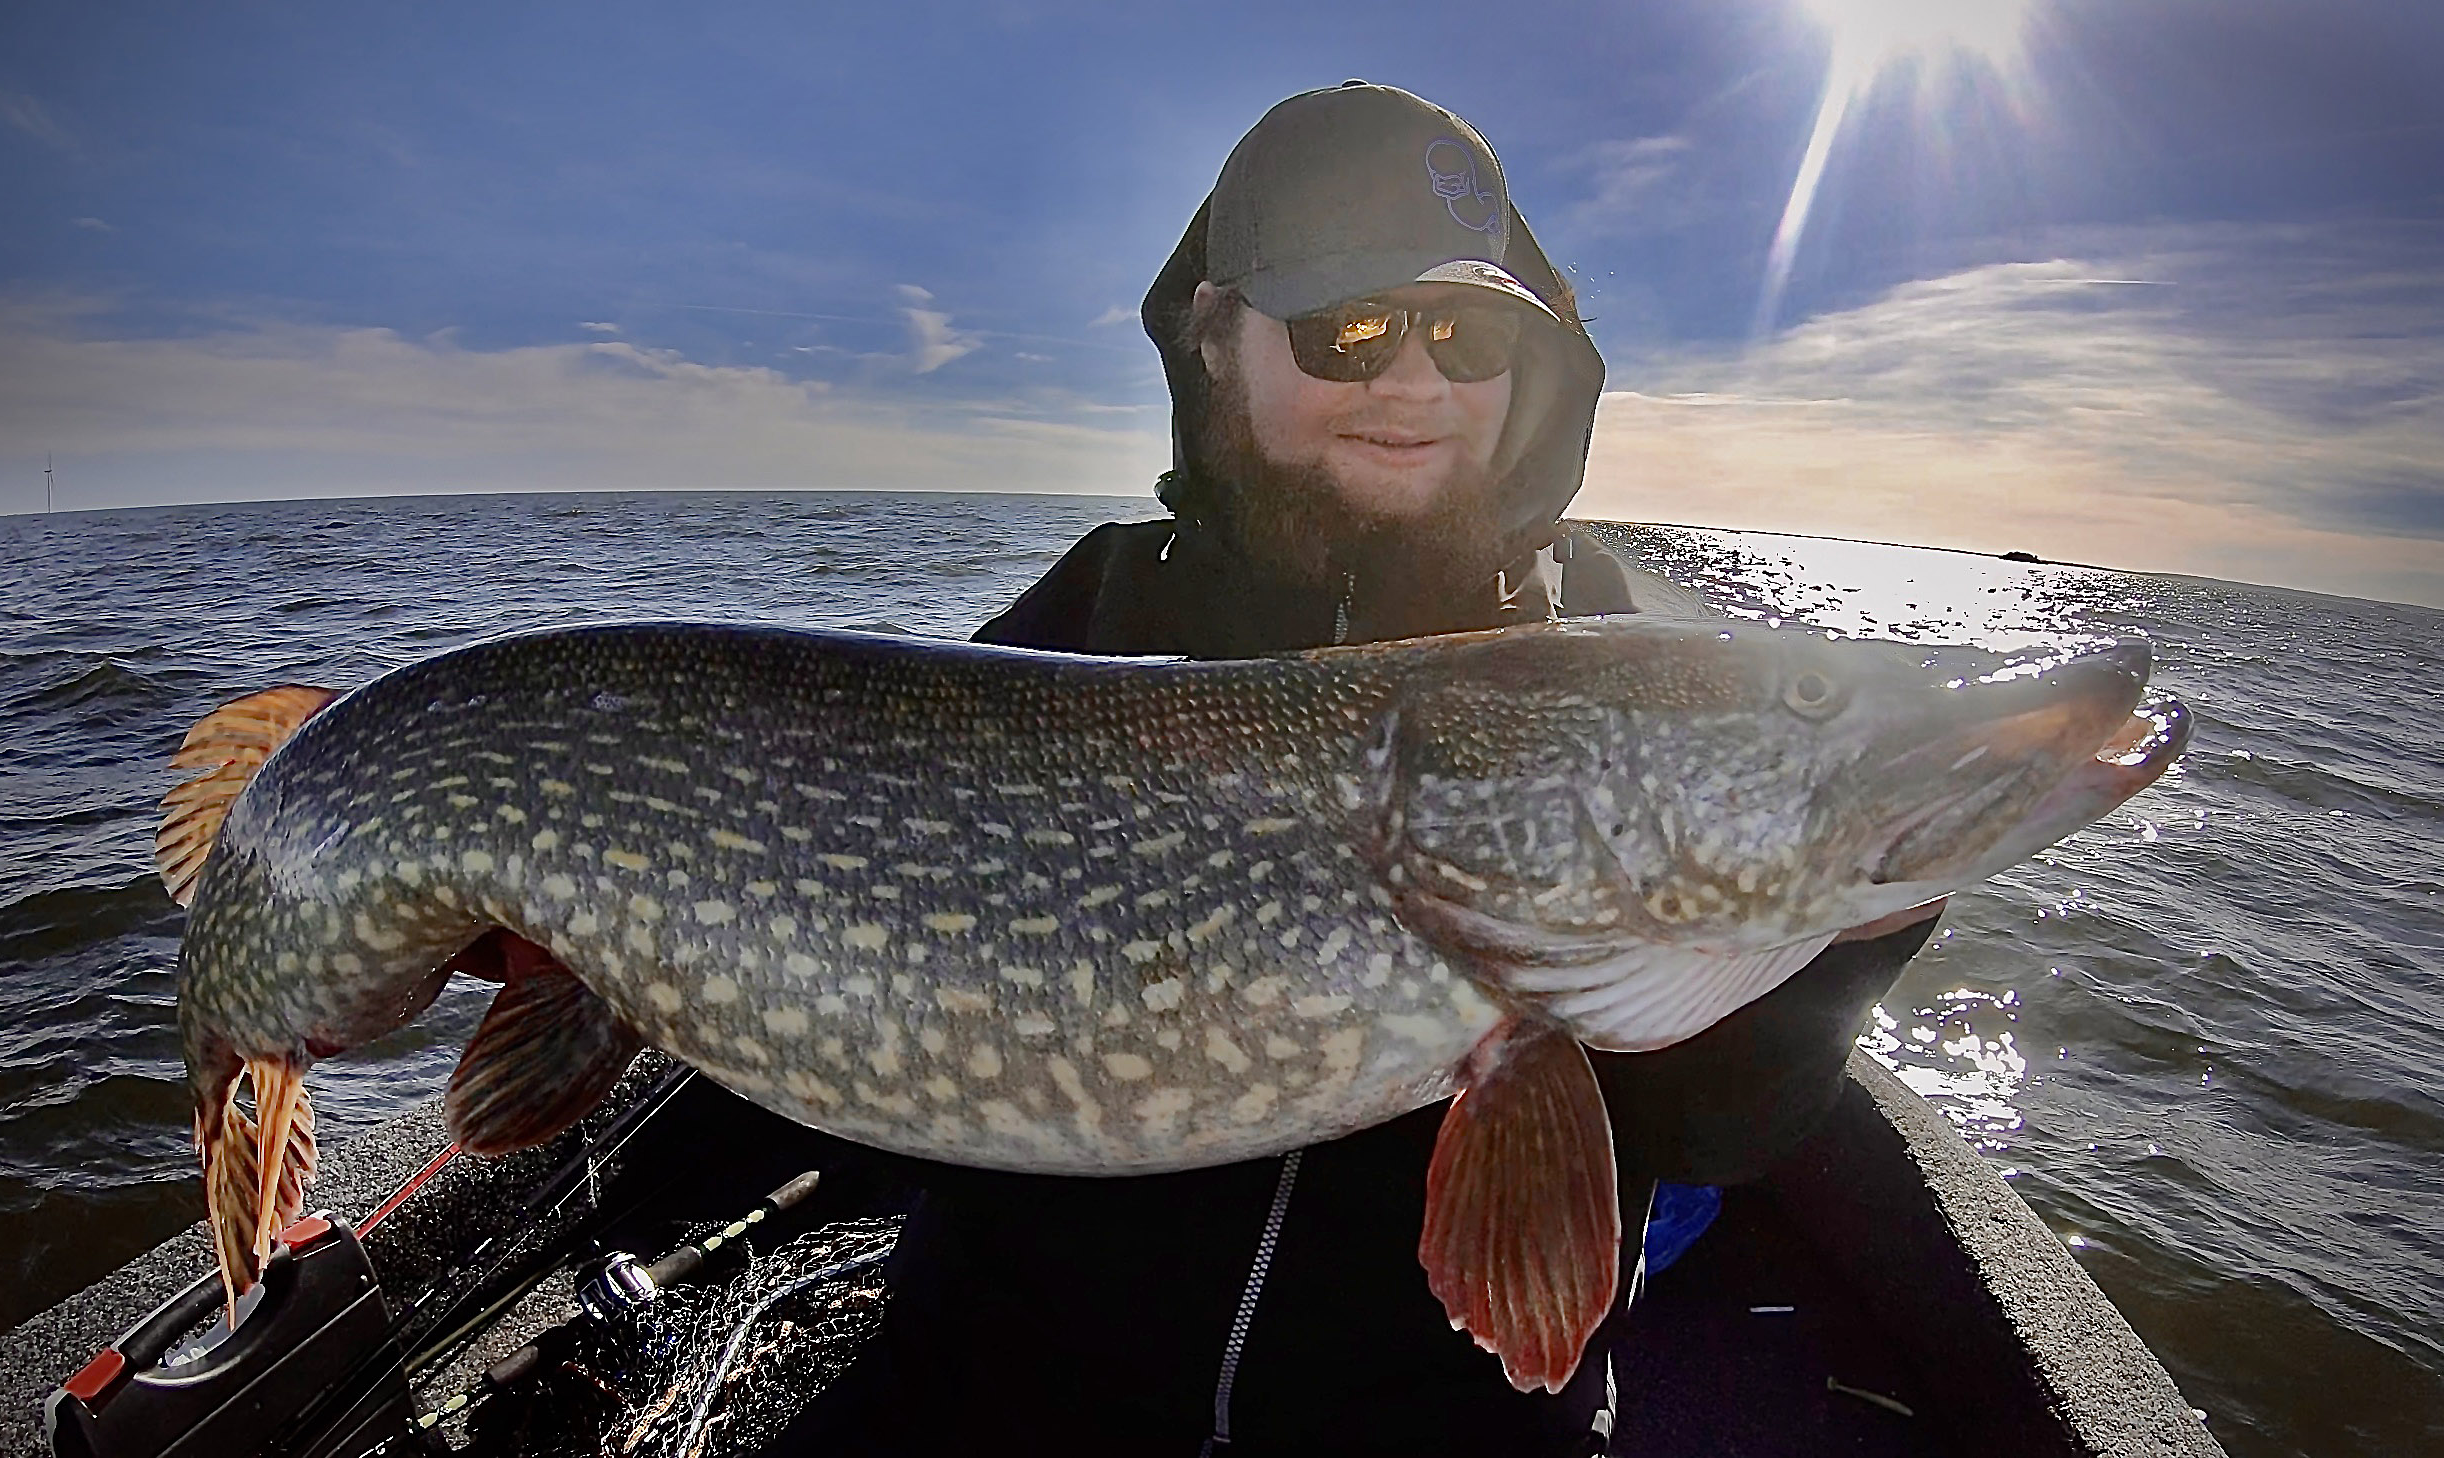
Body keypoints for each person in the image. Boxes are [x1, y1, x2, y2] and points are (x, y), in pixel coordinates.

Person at [770, 82, 1937, 1457]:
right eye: (1350, 326)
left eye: (1468, 330)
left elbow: (1720, 1124)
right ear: (1216, 339)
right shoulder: (1088, 620)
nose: (1416, 379)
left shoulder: (1633, 660)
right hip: (996, 1399)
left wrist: (1852, 920)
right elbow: (869, 1011)